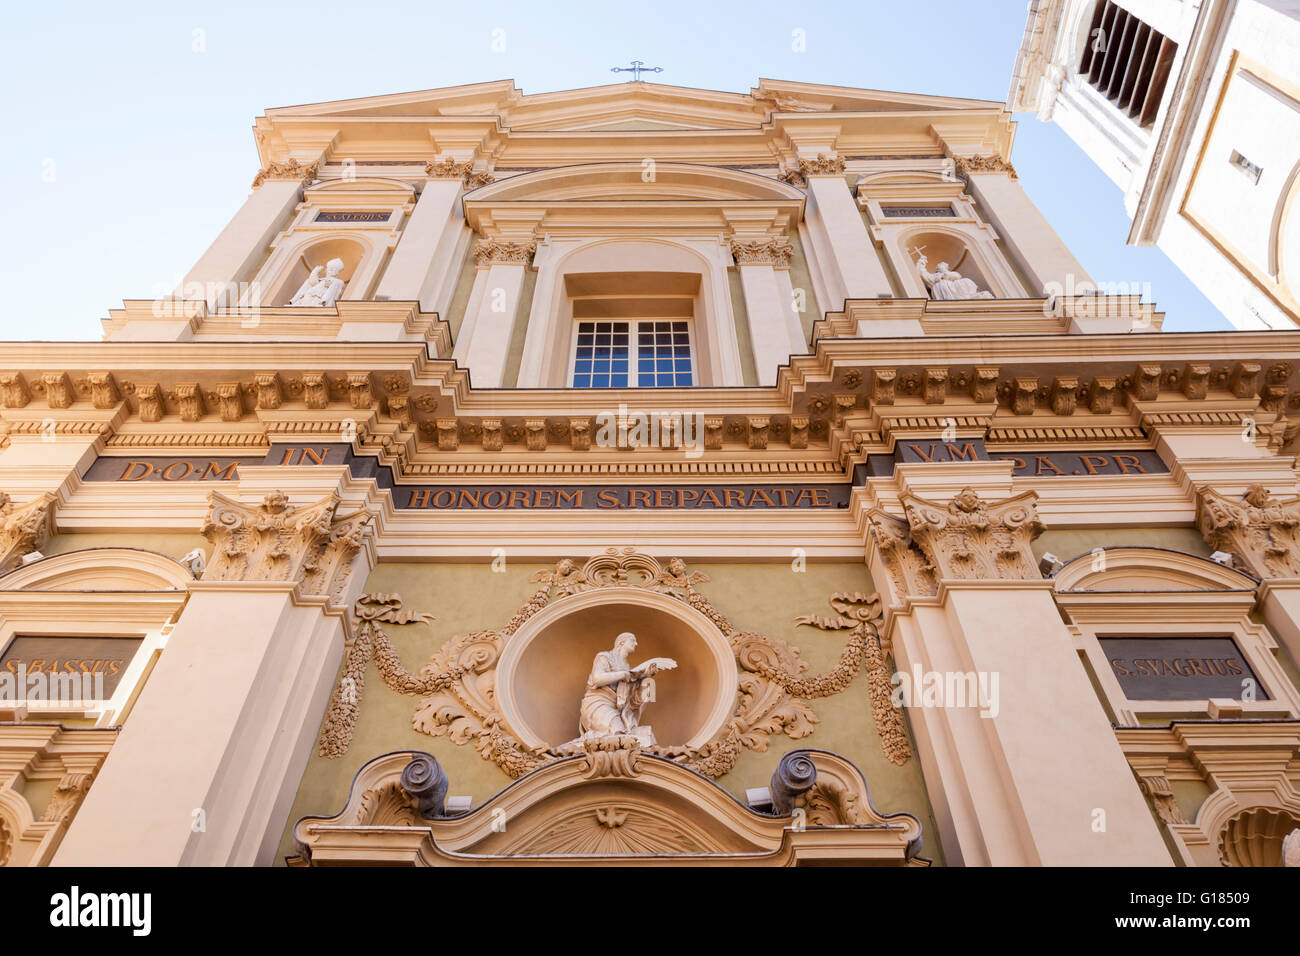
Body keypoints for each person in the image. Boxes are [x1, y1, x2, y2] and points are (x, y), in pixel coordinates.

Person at [578, 632, 676, 739]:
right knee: (617, 731)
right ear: (621, 642)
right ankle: (590, 738)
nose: (636, 643)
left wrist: (645, 677)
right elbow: (597, 679)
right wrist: (623, 674)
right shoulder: (604, 657)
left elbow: (631, 700)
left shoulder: (626, 667)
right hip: (598, 704)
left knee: (626, 733)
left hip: (616, 709)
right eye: (633, 640)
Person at [916, 253, 992, 300]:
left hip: (952, 288)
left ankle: (967, 297)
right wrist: (921, 262)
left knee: (966, 280)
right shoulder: (933, 276)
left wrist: (945, 273)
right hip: (941, 290)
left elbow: (957, 276)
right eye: (939, 266)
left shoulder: (951, 273)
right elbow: (923, 273)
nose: (940, 266)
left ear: (946, 268)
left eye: (943, 265)